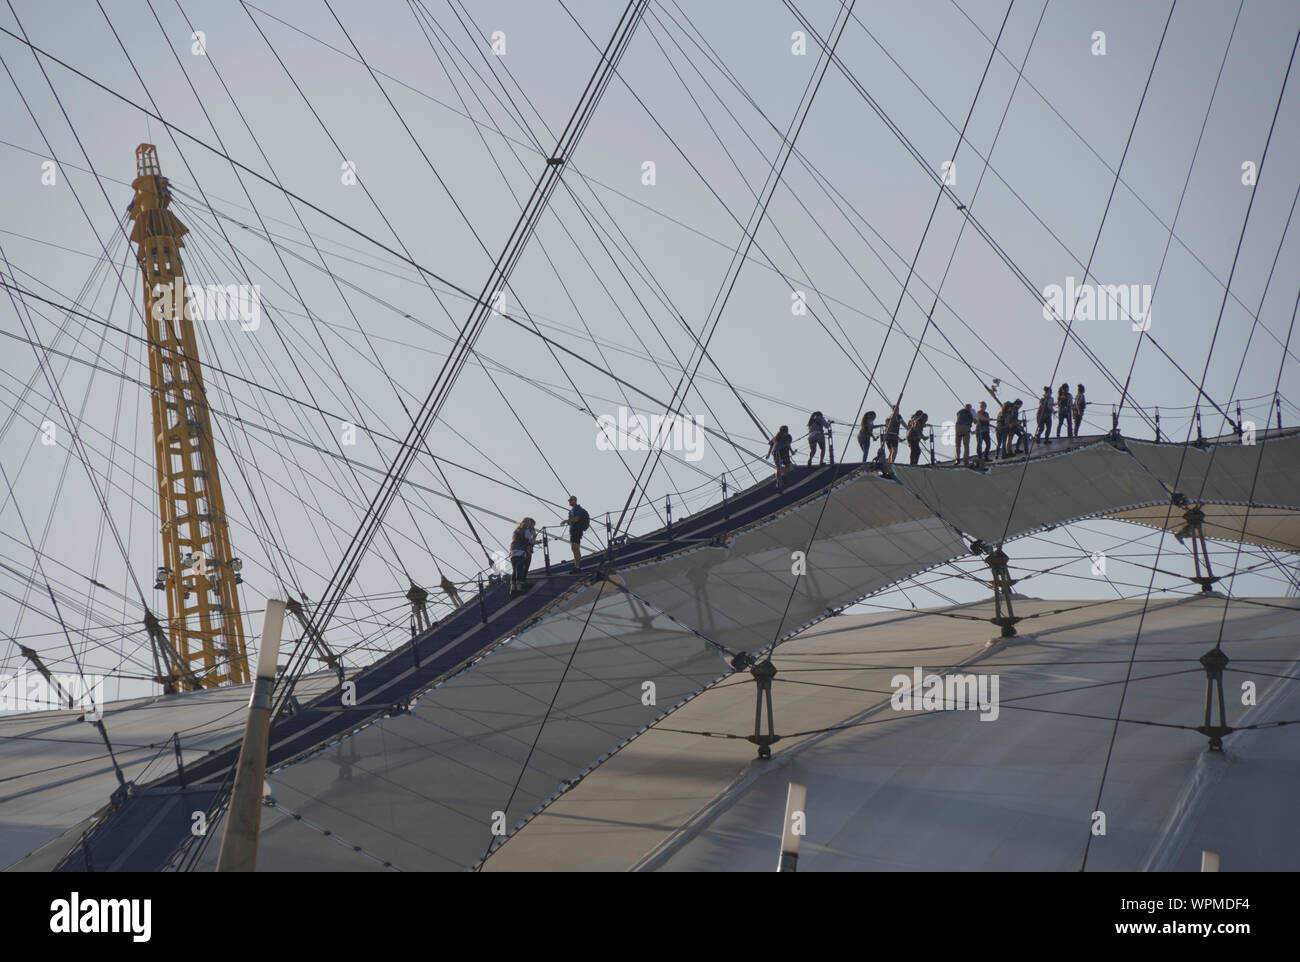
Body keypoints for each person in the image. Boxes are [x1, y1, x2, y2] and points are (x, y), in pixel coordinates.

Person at [509, 517, 537, 595]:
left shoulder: (516, 531)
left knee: (514, 570)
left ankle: (512, 589)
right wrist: (534, 537)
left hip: (512, 552)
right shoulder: (526, 530)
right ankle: (519, 589)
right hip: (520, 552)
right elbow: (530, 541)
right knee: (520, 570)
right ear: (527, 524)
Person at [566, 496, 589, 572]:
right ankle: (577, 566)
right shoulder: (573, 510)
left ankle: (577, 566)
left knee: (575, 547)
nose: (569, 501)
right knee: (574, 548)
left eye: (571, 500)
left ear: (575, 500)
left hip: (576, 530)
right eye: (569, 500)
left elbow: (576, 519)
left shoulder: (576, 508)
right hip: (574, 530)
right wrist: (569, 518)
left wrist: (567, 520)